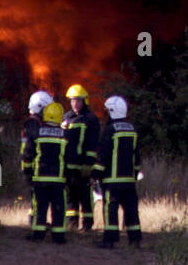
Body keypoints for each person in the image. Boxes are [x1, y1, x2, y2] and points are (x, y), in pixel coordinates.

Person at [93, 95, 141, 248]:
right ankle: (135, 240)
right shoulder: (132, 130)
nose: (105, 114)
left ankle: (110, 240)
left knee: (110, 209)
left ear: (112, 112)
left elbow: (103, 155)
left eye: (107, 111)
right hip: (128, 181)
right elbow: (137, 156)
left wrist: (95, 174)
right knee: (132, 210)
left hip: (112, 181)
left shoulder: (110, 130)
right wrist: (134, 175)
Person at [23, 100, 74, 243]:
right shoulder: (65, 135)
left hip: (40, 178)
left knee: (40, 207)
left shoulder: (37, 133)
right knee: (58, 208)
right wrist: (69, 177)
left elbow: (28, 154)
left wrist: (28, 173)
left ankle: (38, 235)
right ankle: (59, 237)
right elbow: (69, 158)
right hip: (58, 180)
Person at [61, 83, 100, 231]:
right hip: (68, 165)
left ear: (84, 101)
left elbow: (92, 144)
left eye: (78, 100)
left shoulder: (90, 119)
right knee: (70, 195)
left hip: (83, 165)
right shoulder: (66, 118)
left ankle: (88, 224)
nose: (75, 103)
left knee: (85, 195)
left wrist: (89, 164)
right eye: (72, 100)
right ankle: (72, 223)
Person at [21, 90, 53, 231]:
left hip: (33, 163)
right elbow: (31, 147)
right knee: (36, 195)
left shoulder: (34, 122)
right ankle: (34, 222)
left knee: (37, 195)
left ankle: (36, 221)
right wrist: (28, 168)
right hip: (34, 164)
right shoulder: (34, 123)